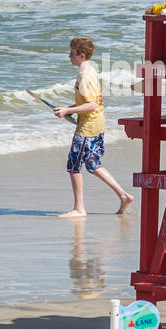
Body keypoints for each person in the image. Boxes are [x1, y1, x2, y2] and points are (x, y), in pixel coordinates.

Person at [54, 36, 134, 218]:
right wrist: (70, 110)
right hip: (97, 123)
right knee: (92, 163)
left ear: (81, 55)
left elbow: (91, 105)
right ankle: (124, 195)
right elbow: (89, 101)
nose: (69, 57)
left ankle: (79, 208)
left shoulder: (84, 75)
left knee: (73, 165)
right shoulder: (90, 70)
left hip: (88, 126)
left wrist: (68, 109)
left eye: (72, 53)